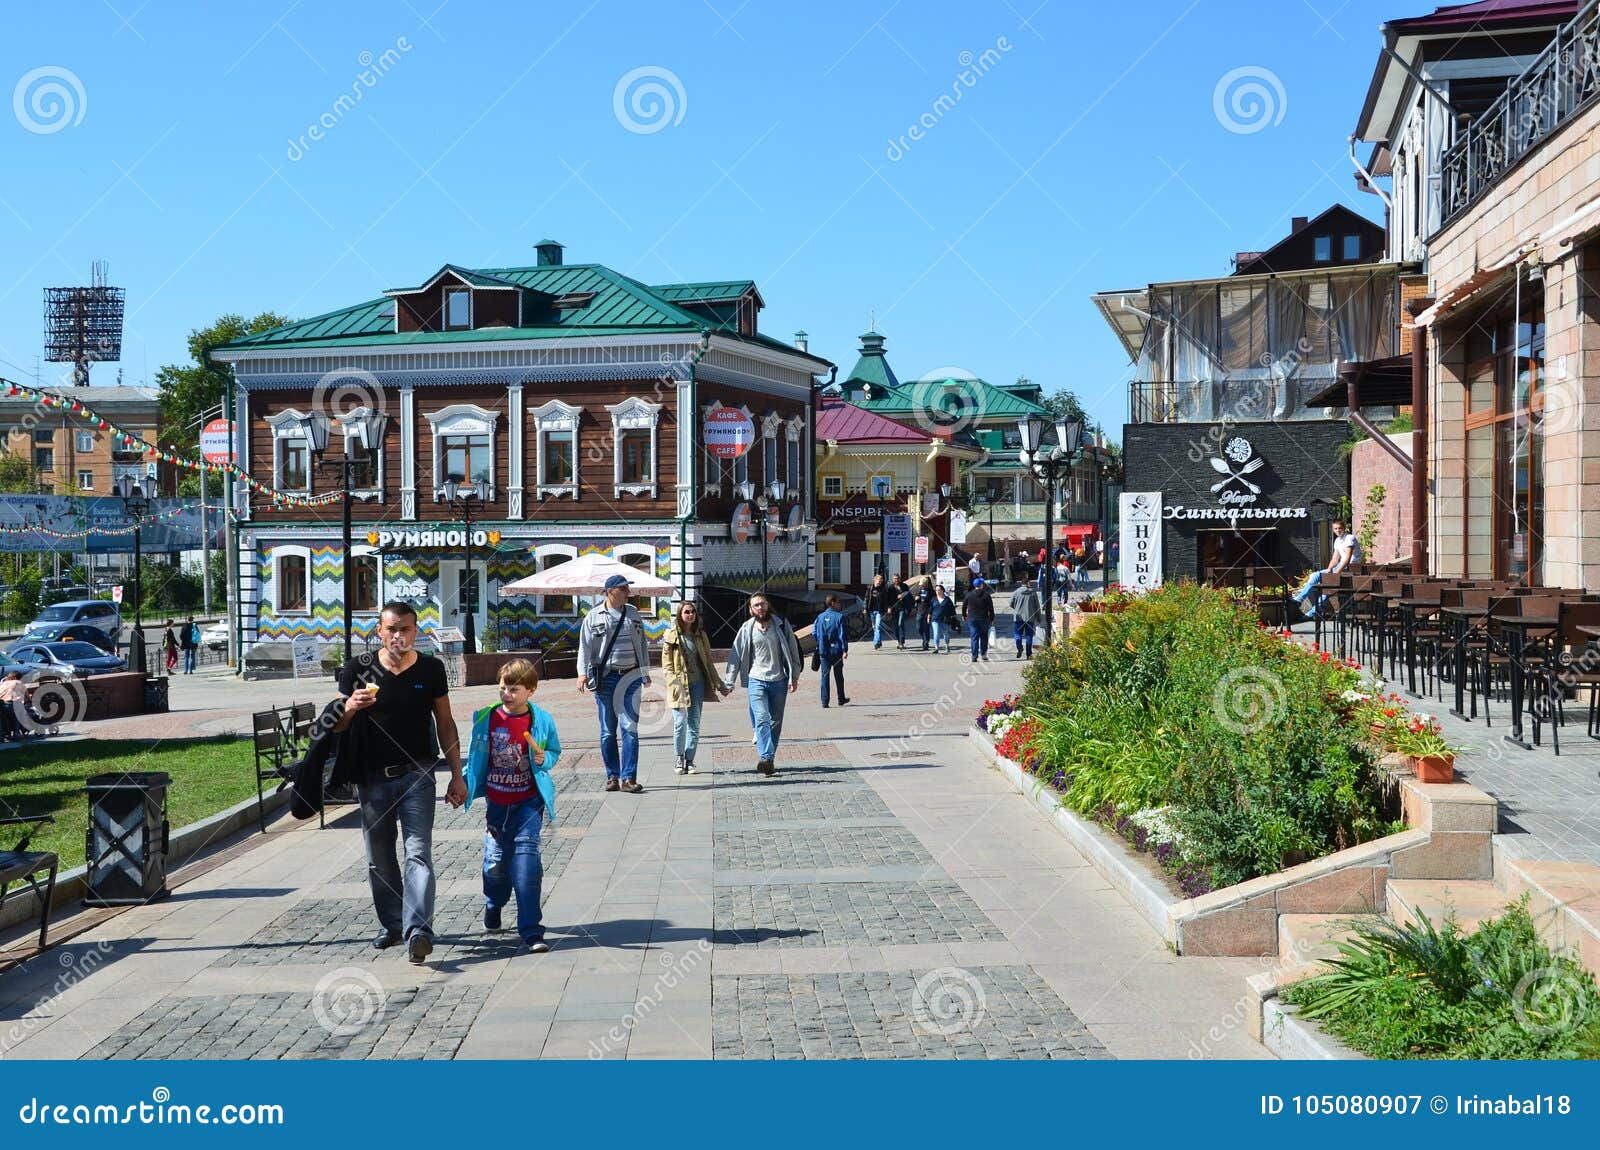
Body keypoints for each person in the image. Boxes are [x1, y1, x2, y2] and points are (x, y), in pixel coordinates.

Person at [335, 601, 464, 965]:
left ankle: (418, 931)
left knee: (418, 852)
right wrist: (350, 708)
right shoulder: (357, 670)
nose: (398, 635)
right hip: (372, 778)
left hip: (418, 774)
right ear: (380, 631)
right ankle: (392, 924)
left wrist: (457, 774)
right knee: (379, 859)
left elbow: (446, 723)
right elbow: (337, 725)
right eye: (391, 629)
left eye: (405, 628)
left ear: (415, 630)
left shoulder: (431, 668)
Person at [463, 658, 559, 953]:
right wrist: (463, 785)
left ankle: (531, 930)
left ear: (531, 690)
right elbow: (475, 757)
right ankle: (494, 902)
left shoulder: (541, 720)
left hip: (529, 801)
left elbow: (553, 750)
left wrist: (545, 759)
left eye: (514, 689)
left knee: (527, 862)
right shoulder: (487, 718)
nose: (506, 694)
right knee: (496, 866)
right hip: (497, 802)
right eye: (503, 687)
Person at [576, 573, 650, 794]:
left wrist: (645, 671)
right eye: (623, 588)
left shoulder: (634, 613)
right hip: (606, 678)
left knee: (630, 729)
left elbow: (643, 643)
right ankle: (612, 776)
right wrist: (581, 674)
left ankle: (628, 778)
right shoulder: (594, 616)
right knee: (608, 731)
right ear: (610, 592)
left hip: (631, 677)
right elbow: (585, 647)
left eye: (627, 588)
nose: (628, 592)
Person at [722, 593, 801, 776]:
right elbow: (735, 655)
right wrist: (729, 682)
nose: (760, 608)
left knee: (775, 722)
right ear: (751, 610)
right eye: (756, 605)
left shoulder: (780, 624)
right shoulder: (746, 628)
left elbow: (793, 650)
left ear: (768, 605)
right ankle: (765, 757)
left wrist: (794, 676)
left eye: (763, 604)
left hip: (779, 681)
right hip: (756, 679)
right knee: (762, 719)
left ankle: (769, 759)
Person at [662, 599, 717, 774]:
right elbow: (667, 666)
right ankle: (679, 758)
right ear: (679, 614)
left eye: (692, 612)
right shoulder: (670, 635)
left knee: (694, 722)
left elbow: (708, 661)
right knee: (679, 722)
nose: (690, 615)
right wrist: (673, 682)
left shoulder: (700, 635)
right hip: (679, 684)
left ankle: (690, 760)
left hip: (698, 683)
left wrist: (719, 683)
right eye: (686, 612)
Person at [1293, 520, 1362, 619]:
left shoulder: (1349, 538)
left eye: (1340, 528)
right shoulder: (1338, 540)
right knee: (1319, 580)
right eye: (1335, 528)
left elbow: (1347, 559)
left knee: (1324, 584)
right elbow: (1335, 558)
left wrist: (1335, 574)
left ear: (1344, 528)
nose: (1338, 530)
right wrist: (1329, 569)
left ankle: (1305, 607)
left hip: (1351, 569)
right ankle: (1304, 606)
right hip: (1340, 567)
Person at [814, 593, 850, 707]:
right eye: (838, 602)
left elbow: (814, 633)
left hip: (823, 650)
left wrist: (820, 642)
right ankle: (841, 698)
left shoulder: (820, 617)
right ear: (833, 603)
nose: (840, 604)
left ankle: (825, 701)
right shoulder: (840, 617)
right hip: (836, 651)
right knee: (838, 675)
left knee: (825, 675)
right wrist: (845, 650)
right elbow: (842, 635)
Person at [963, 576, 995, 662]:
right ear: (981, 585)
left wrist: (964, 615)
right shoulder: (986, 595)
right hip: (984, 618)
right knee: (984, 636)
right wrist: (992, 619)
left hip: (972, 618)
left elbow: (964, 606)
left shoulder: (969, 595)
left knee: (974, 637)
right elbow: (991, 608)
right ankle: (984, 654)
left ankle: (974, 656)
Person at [1009, 579, 1042, 659]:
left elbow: (1010, 603)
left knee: (1017, 634)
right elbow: (1037, 606)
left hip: (1018, 617)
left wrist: (1017, 607)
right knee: (1029, 635)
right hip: (1030, 617)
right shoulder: (1033, 593)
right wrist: (1039, 618)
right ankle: (1029, 654)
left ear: (1021, 584)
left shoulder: (1016, 592)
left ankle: (1019, 648)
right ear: (1027, 583)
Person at [867, 573, 895, 651]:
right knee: (874, 627)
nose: (879, 583)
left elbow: (885, 601)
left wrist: (887, 608)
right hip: (871, 610)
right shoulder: (870, 588)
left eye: (881, 582)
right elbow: (866, 599)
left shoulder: (883, 590)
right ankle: (879, 641)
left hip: (879, 611)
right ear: (875, 580)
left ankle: (876, 643)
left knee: (878, 626)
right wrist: (865, 609)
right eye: (878, 581)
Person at [930, 584, 957, 653]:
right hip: (935, 619)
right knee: (936, 633)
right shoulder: (933, 599)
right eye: (936, 590)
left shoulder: (947, 599)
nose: (937, 592)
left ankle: (947, 645)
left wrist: (953, 618)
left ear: (942, 591)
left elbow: (952, 610)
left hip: (945, 620)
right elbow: (931, 609)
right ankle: (936, 648)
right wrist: (928, 616)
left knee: (946, 634)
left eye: (939, 590)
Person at [0, 671, 26, 741]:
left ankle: (4, 734)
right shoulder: (18, 682)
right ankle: (16, 733)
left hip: (2, 704)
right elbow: (26, 694)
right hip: (12, 703)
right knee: (16, 717)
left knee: (4, 719)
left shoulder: (3, 683)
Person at [890, 574, 913, 649]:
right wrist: (888, 607)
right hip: (894, 609)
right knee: (895, 627)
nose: (896, 580)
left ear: (900, 579)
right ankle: (899, 641)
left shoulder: (904, 586)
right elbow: (888, 598)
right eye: (894, 579)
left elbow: (909, 594)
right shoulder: (890, 587)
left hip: (902, 608)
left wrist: (903, 594)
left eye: (897, 578)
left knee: (900, 624)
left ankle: (902, 642)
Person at [916, 581, 936, 650]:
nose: (921, 586)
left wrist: (930, 613)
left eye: (922, 584)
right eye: (921, 585)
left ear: (926, 584)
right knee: (918, 627)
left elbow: (933, 602)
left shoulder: (931, 592)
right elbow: (916, 599)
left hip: (927, 611)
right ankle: (924, 639)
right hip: (920, 611)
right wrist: (916, 599)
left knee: (926, 628)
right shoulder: (920, 590)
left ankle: (926, 642)